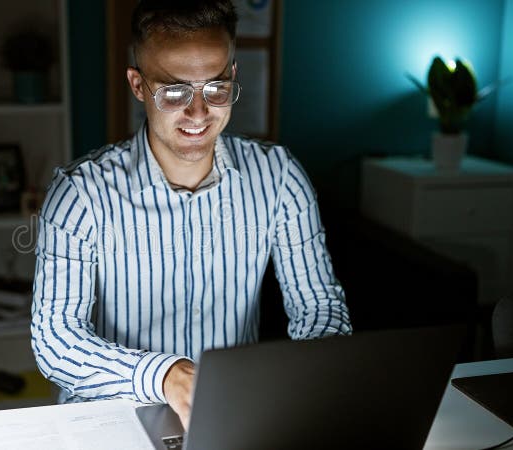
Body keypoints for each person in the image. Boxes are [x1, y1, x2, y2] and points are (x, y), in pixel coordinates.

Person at [31, 0, 352, 429]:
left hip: (236, 416)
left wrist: (306, 377)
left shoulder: (279, 177)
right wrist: (164, 376)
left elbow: (320, 308)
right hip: (113, 420)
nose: (199, 113)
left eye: (216, 89)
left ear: (233, 76)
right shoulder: (79, 194)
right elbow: (55, 341)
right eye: (175, 92)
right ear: (138, 85)